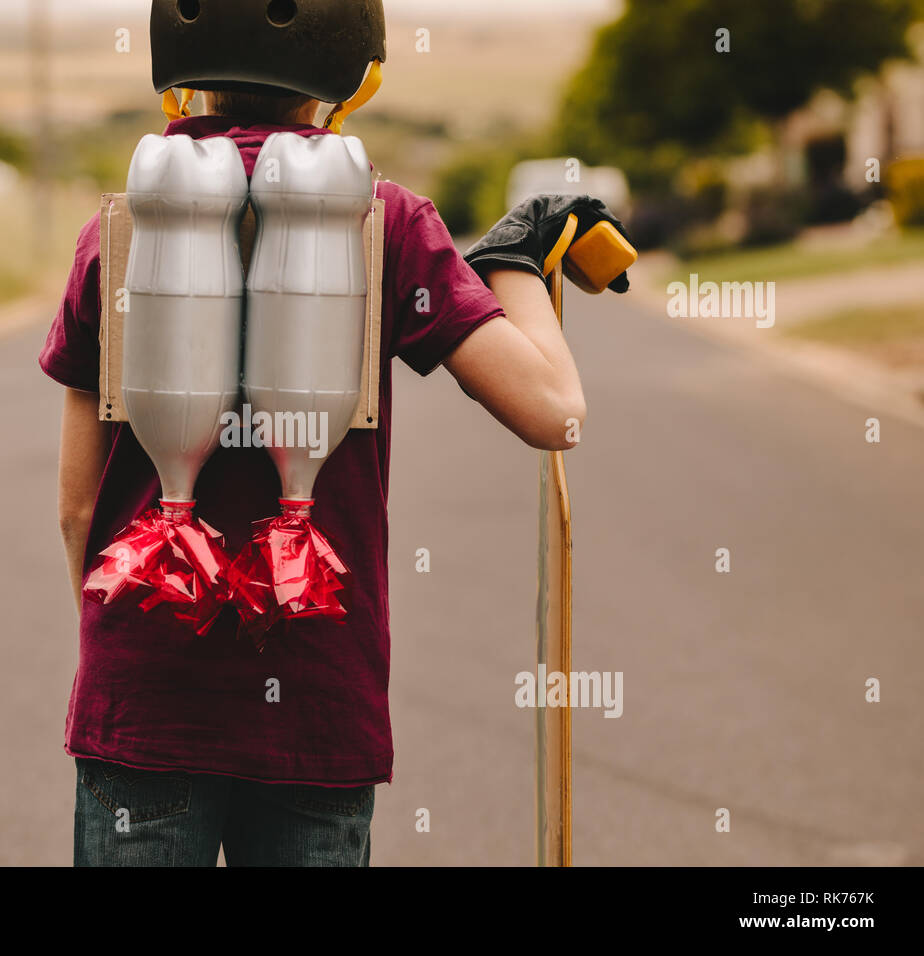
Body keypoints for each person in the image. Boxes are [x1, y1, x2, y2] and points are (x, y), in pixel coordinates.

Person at [39, 0, 629, 867]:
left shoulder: (119, 232)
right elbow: (555, 412)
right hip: (314, 709)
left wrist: (131, 658)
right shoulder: (387, 223)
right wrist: (513, 263)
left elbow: (77, 508)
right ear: (355, 67)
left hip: (147, 705)